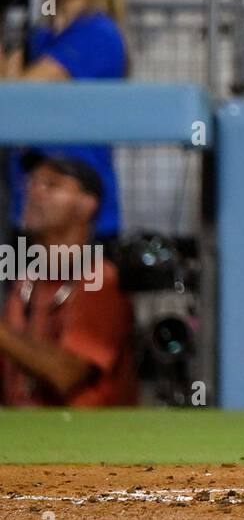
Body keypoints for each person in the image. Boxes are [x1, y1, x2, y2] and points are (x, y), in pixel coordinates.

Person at [2, 0, 127, 240]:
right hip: (33, 208)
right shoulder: (42, 35)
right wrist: (9, 11)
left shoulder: (99, 33)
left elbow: (17, 95)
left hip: (81, 221)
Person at [0, 150, 137, 407]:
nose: (34, 192)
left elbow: (66, 373)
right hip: (25, 436)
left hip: (91, 440)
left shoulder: (101, 280)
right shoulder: (26, 281)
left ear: (88, 204)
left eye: (52, 185)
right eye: (31, 183)